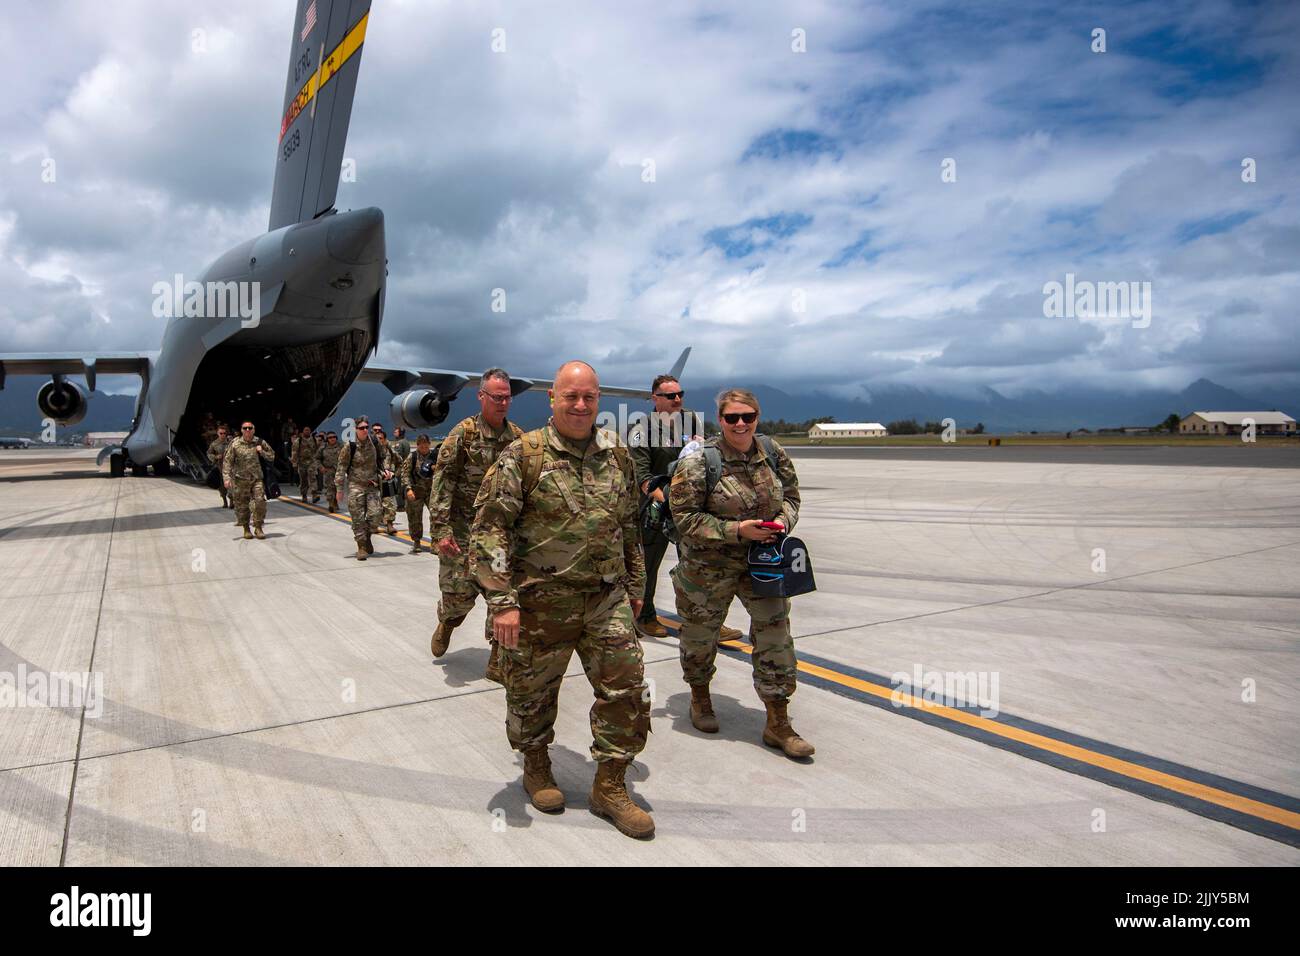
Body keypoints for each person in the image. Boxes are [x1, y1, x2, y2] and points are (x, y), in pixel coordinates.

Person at [470, 361, 653, 839]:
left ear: (598, 400)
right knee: (531, 695)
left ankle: (610, 785)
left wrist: (636, 587)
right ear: (553, 397)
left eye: (589, 397)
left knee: (627, 688)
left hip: (605, 599)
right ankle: (535, 764)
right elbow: (489, 531)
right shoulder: (522, 456)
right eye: (570, 396)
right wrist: (502, 602)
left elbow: (629, 528)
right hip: (538, 602)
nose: (580, 405)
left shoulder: (618, 457)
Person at [668, 388, 813, 758]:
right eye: (732, 417)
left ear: (757, 417)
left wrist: (782, 522)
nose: (740, 424)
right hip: (707, 568)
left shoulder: (773, 453)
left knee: (775, 635)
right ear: (721, 420)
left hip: (762, 563)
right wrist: (735, 531)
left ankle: (778, 720)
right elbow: (684, 518)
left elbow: (793, 496)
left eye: (747, 416)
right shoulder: (700, 461)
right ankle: (700, 697)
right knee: (700, 637)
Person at [628, 375, 747, 643]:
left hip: (688, 510)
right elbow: (642, 476)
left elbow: (706, 453)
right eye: (670, 396)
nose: (678, 399)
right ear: (655, 399)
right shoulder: (640, 429)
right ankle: (645, 617)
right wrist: (666, 502)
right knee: (648, 566)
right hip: (655, 510)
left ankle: (706, 622)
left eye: (680, 393)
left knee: (696, 567)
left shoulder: (691, 419)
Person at [427, 368, 523, 679]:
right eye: (497, 397)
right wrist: (440, 531)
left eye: (507, 397)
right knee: (458, 598)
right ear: (481, 397)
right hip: (462, 531)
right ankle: (448, 621)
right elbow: (442, 484)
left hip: (500, 536)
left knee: (503, 595)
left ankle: (497, 657)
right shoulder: (463, 435)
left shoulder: (518, 439)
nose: (503, 402)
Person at [334, 420, 390, 560]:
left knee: (376, 515)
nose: (365, 430)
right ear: (355, 429)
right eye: (361, 428)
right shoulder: (350, 446)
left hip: (372, 485)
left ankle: (368, 536)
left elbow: (383, 458)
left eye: (366, 427)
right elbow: (341, 467)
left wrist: (386, 471)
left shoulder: (374, 442)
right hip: (356, 485)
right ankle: (361, 547)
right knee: (357, 518)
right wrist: (339, 489)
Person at [222, 422, 276, 540]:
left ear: (253, 430)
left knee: (260, 501)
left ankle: (258, 527)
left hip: (257, 479)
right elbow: (228, 462)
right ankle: (246, 528)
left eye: (250, 428)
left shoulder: (260, 442)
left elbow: (272, 456)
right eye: (245, 428)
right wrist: (226, 478)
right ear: (241, 430)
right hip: (240, 480)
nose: (247, 430)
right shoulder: (235, 444)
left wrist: (261, 451)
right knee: (242, 506)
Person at [400, 434, 437, 554]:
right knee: (415, 517)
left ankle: (435, 542)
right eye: (421, 444)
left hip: (431, 490)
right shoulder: (413, 456)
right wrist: (408, 489)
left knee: (436, 516)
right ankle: (416, 541)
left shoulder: (434, 456)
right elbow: (405, 474)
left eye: (426, 443)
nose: (424, 446)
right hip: (416, 491)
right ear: (418, 444)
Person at [372, 424, 400, 534]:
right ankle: (374, 526)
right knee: (375, 504)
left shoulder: (389, 449)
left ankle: (389, 525)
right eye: (377, 438)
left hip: (387, 480)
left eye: (381, 438)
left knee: (390, 503)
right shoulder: (370, 451)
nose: (379, 441)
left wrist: (394, 474)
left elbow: (400, 462)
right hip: (374, 480)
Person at [206, 423, 233, 509]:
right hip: (220, 467)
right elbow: (209, 453)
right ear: (218, 433)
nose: (223, 435)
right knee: (222, 487)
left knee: (231, 485)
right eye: (221, 433)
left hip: (230, 468)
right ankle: (225, 501)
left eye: (224, 433)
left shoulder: (230, 442)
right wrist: (215, 457)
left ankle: (232, 502)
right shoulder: (214, 444)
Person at [292, 425, 319, 503]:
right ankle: (304, 496)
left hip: (311, 462)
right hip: (302, 463)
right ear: (302, 432)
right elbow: (294, 452)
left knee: (312, 477)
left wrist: (318, 460)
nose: (307, 431)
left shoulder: (314, 440)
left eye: (308, 430)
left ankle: (314, 495)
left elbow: (318, 450)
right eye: (305, 430)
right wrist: (294, 463)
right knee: (303, 480)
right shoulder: (298, 441)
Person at [318, 432, 341, 513]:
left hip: (339, 471)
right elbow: (317, 458)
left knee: (337, 488)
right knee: (330, 488)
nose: (332, 438)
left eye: (334, 437)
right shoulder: (323, 448)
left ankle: (335, 502)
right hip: (328, 470)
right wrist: (321, 467)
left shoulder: (341, 447)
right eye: (330, 437)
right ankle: (331, 504)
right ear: (327, 439)